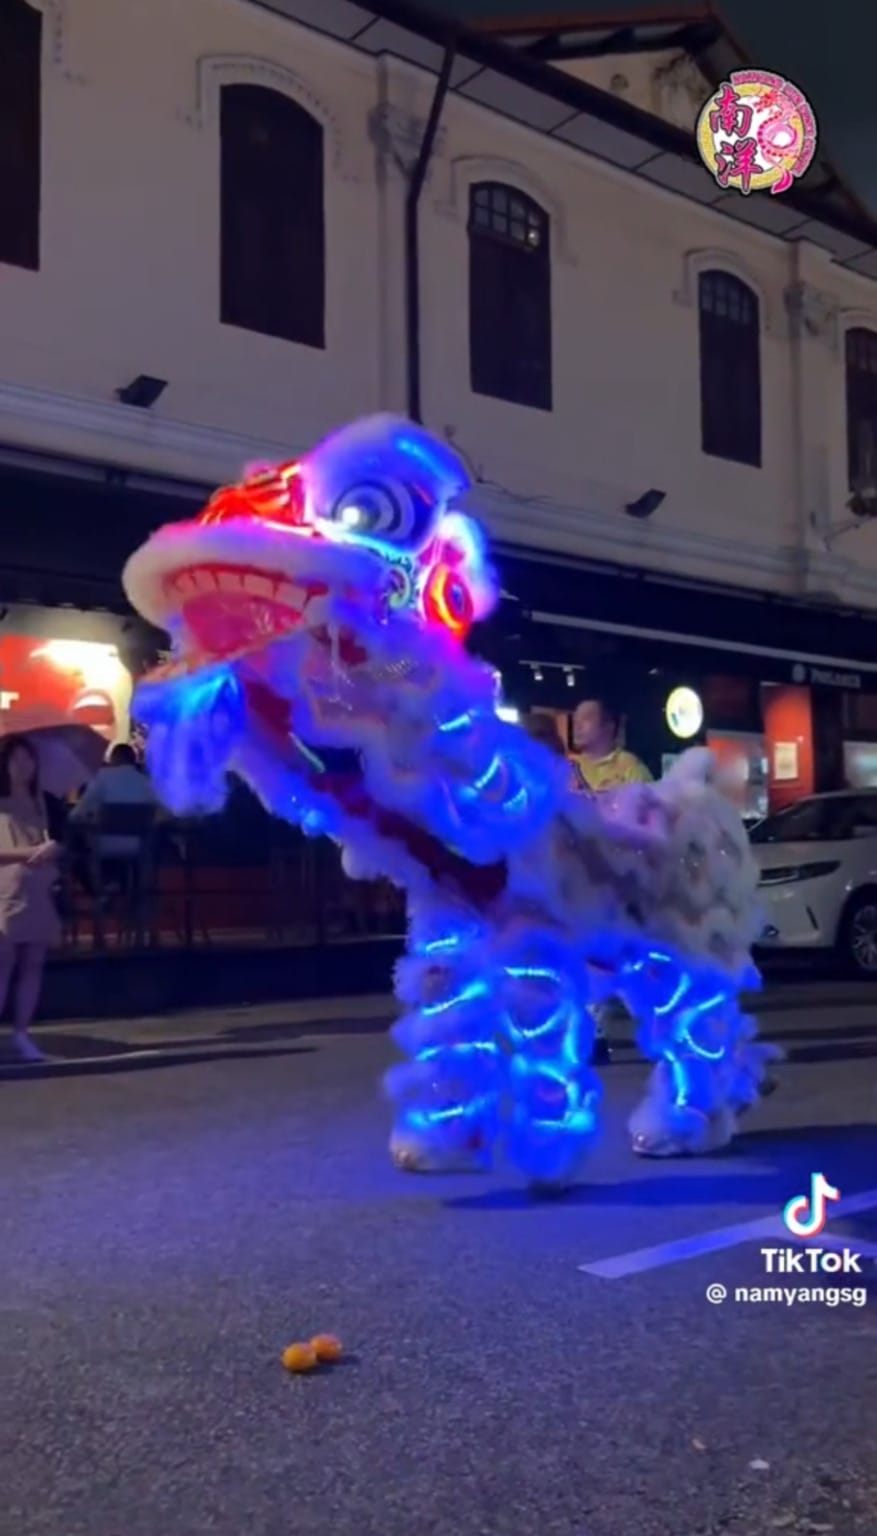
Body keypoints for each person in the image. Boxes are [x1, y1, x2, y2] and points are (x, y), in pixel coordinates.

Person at [0, 734, 61, 1062]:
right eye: (16, 760)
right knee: (4, 961)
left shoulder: (44, 801)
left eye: (29, 759)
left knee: (33, 962)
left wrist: (54, 848)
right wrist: (28, 852)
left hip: (38, 889)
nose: (23, 766)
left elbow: (60, 842)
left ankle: (22, 1034)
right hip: (5, 891)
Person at [70, 741, 159, 860]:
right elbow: (159, 814)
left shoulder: (102, 777)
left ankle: (91, 876)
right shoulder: (146, 782)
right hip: (140, 846)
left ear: (113, 759)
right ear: (134, 761)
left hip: (105, 845)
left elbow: (77, 814)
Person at [570, 696, 652, 792]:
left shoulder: (631, 768)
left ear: (609, 726)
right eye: (575, 720)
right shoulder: (568, 766)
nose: (577, 726)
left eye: (586, 718)